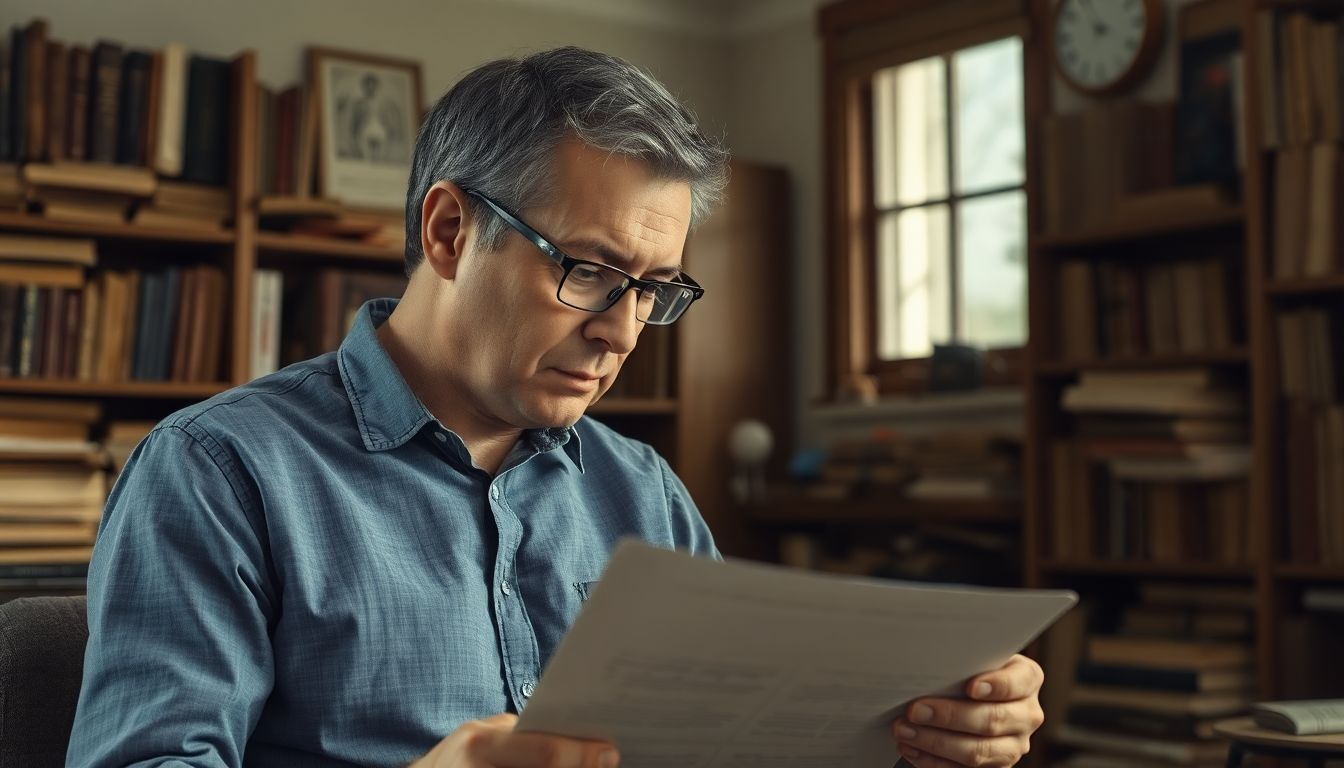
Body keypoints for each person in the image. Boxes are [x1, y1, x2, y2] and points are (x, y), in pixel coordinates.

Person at [66, 46, 1045, 768]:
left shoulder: (642, 491)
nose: (623, 333)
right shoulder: (219, 473)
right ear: (450, 231)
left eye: (656, 289)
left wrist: (923, 737)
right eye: (590, 270)